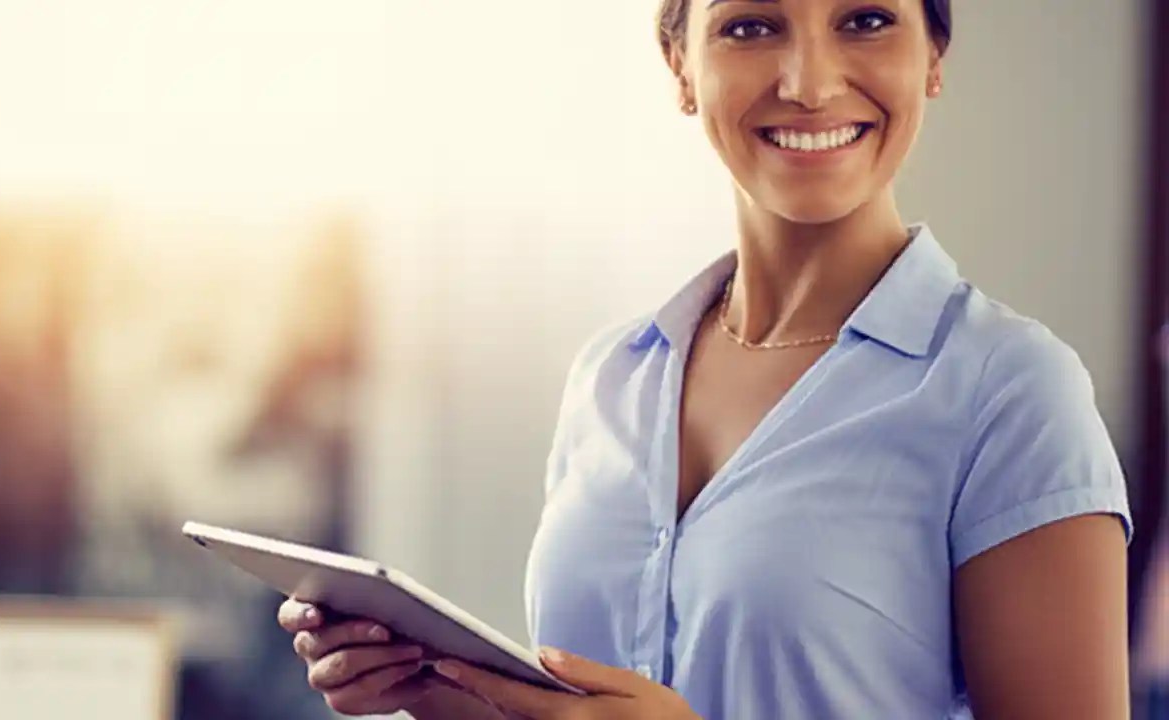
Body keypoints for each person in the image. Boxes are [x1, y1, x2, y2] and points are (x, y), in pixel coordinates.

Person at [279, 0, 1135, 717]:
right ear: (681, 68)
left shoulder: (1010, 393)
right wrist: (447, 691)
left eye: (866, 19)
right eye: (750, 27)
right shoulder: (613, 376)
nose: (808, 84)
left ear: (933, 59)